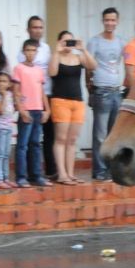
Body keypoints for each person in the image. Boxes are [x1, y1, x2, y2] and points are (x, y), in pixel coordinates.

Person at [49, 30, 95, 185]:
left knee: (73, 139)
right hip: (60, 100)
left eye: (71, 41)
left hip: (77, 101)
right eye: (65, 41)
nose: (68, 44)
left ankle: (70, 173)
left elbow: (93, 65)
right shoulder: (56, 56)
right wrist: (57, 51)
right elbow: (52, 72)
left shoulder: (78, 57)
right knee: (61, 138)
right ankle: (62, 174)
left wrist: (82, 49)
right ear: (59, 41)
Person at [86, 7, 124, 181]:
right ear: (103, 21)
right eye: (107, 20)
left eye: (113, 20)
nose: (110, 23)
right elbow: (88, 66)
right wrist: (89, 88)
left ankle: (110, 169)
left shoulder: (121, 42)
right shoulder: (95, 42)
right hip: (101, 91)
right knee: (100, 135)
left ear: (117, 21)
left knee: (113, 135)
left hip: (117, 91)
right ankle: (100, 171)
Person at [13, 37, 48, 188]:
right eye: (28, 50)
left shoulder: (39, 70)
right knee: (22, 145)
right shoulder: (19, 68)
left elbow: (41, 91)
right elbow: (16, 91)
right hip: (26, 111)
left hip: (38, 110)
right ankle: (21, 177)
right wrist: (21, 110)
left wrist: (47, 109)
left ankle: (36, 175)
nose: (31, 53)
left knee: (35, 144)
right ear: (23, 52)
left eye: (34, 50)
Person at [27, 16, 56, 180]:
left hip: (48, 94)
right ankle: (33, 172)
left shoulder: (46, 48)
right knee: (32, 138)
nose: (37, 30)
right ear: (28, 30)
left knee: (49, 135)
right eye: (34, 27)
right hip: (32, 99)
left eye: (40, 27)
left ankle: (51, 170)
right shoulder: (24, 50)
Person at [0, 70, 17, 190]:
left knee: (6, 154)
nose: (1, 83)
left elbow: (13, 109)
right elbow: (0, 110)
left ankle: (6, 178)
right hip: (0, 128)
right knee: (0, 154)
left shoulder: (10, 95)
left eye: (4, 81)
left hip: (8, 127)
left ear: (9, 84)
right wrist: (2, 96)